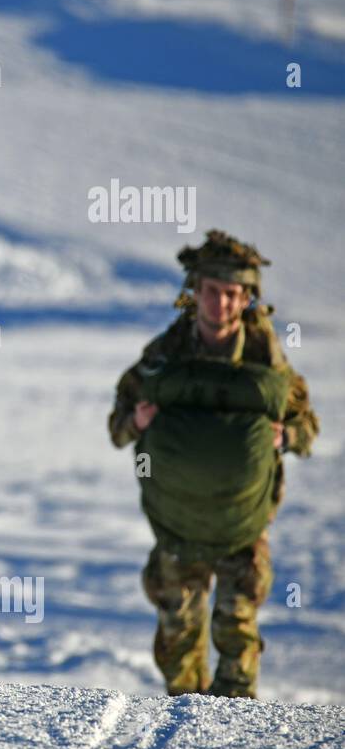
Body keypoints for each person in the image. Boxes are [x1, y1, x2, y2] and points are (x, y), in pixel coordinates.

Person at [108, 230, 318, 698]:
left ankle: (228, 748)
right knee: (178, 645)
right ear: (194, 293)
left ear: (246, 299)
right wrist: (136, 419)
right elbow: (117, 429)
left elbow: (307, 429)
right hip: (178, 523)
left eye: (231, 295)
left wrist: (288, 435)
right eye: (212, 293)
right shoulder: (165, 356)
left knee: (237, 639)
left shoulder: (267, 361)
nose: (221, 304)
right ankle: (181, 744)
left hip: (242, 527)